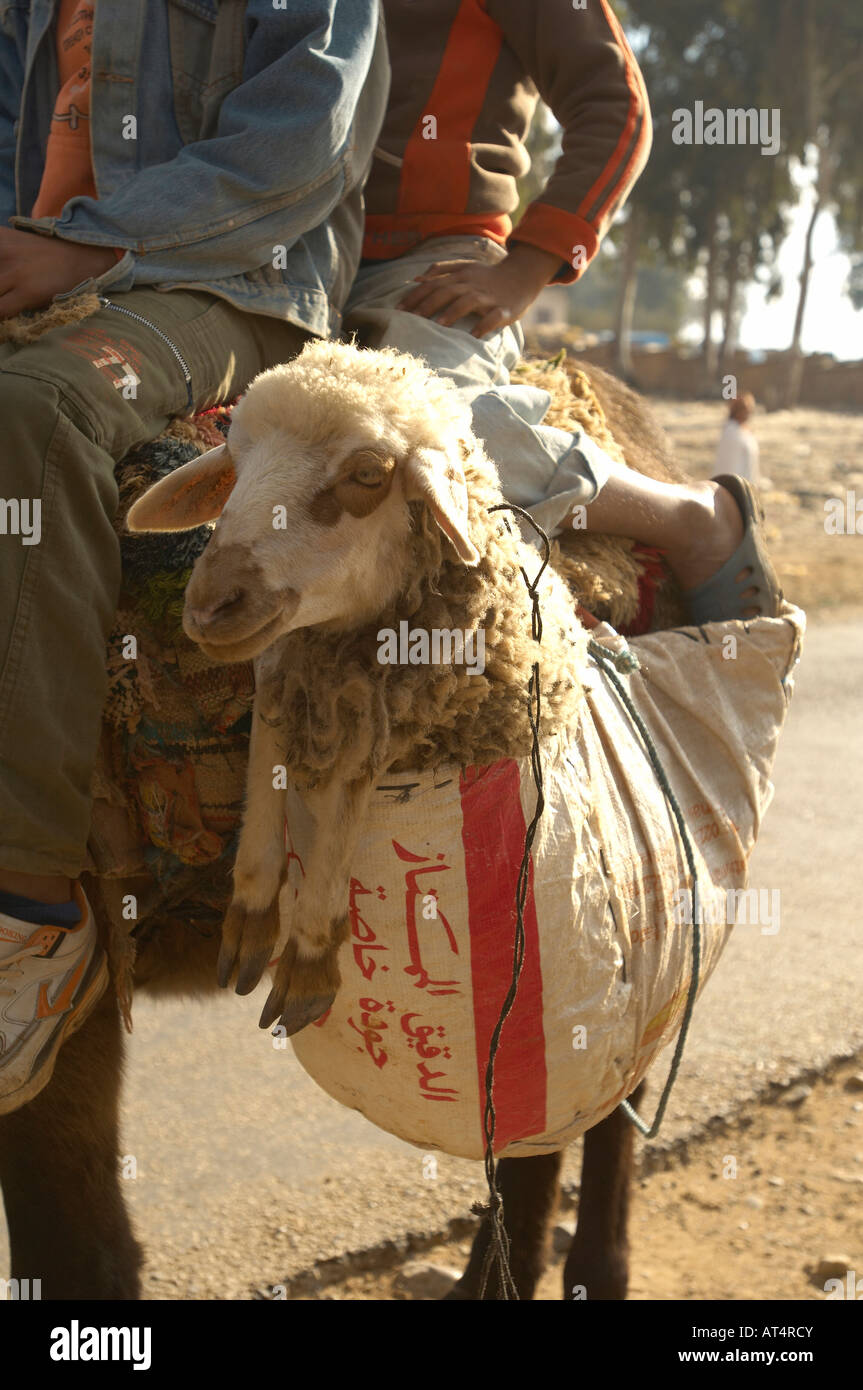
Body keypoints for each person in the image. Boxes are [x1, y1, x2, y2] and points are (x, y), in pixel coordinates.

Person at [0, 0, 389, 1114]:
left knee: (34, 412)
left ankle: (27, 907)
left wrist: (90, 241)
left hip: (229, 285)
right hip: (50, 264)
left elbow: (301, 133)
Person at [345, 0, 781, 623]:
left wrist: (526, 269)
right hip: (285, 268)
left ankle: (691, 517)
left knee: (443, 438)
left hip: (433, 264)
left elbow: (614, 104)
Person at [716, 393, 762, 487]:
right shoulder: (731, 432)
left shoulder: (745, 432)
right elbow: (729, 465)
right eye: (746, 409)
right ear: (737, 411)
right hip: (735, 486)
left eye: (750, 409)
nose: (749, 413)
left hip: (747, 485)